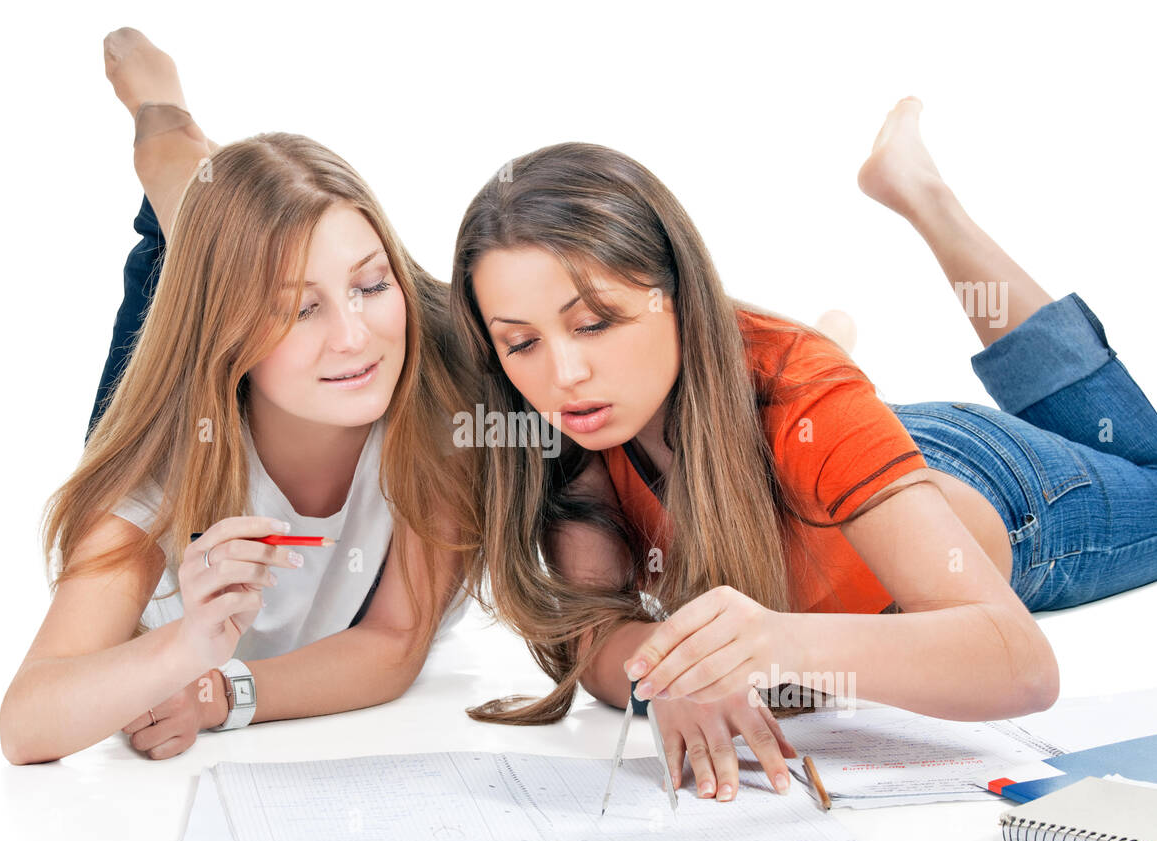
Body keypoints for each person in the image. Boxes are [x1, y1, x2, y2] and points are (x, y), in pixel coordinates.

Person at [447, 97, 1157, 803]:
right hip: (850, 449)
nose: (564, 375)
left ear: (679, 296)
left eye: (596, 322)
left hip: (1002, 497)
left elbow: (1023, 668)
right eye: (522, 341)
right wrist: (674, 673)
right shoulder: (571, 422)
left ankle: (927, 199)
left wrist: (778, 645)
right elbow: (595, 636)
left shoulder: (796, 388)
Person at [0, 30, 472, 764]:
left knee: (239, 224)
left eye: (372, 284)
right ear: (232, 334)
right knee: (183, 217)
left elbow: (393, 642)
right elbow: (26, 723)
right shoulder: (164, 458)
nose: (354, 337)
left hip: (305, 314)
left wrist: (221, 691)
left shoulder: (439, 382)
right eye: (299, 308)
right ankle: (163, 116)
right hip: (195, 361)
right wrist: (182, 648)